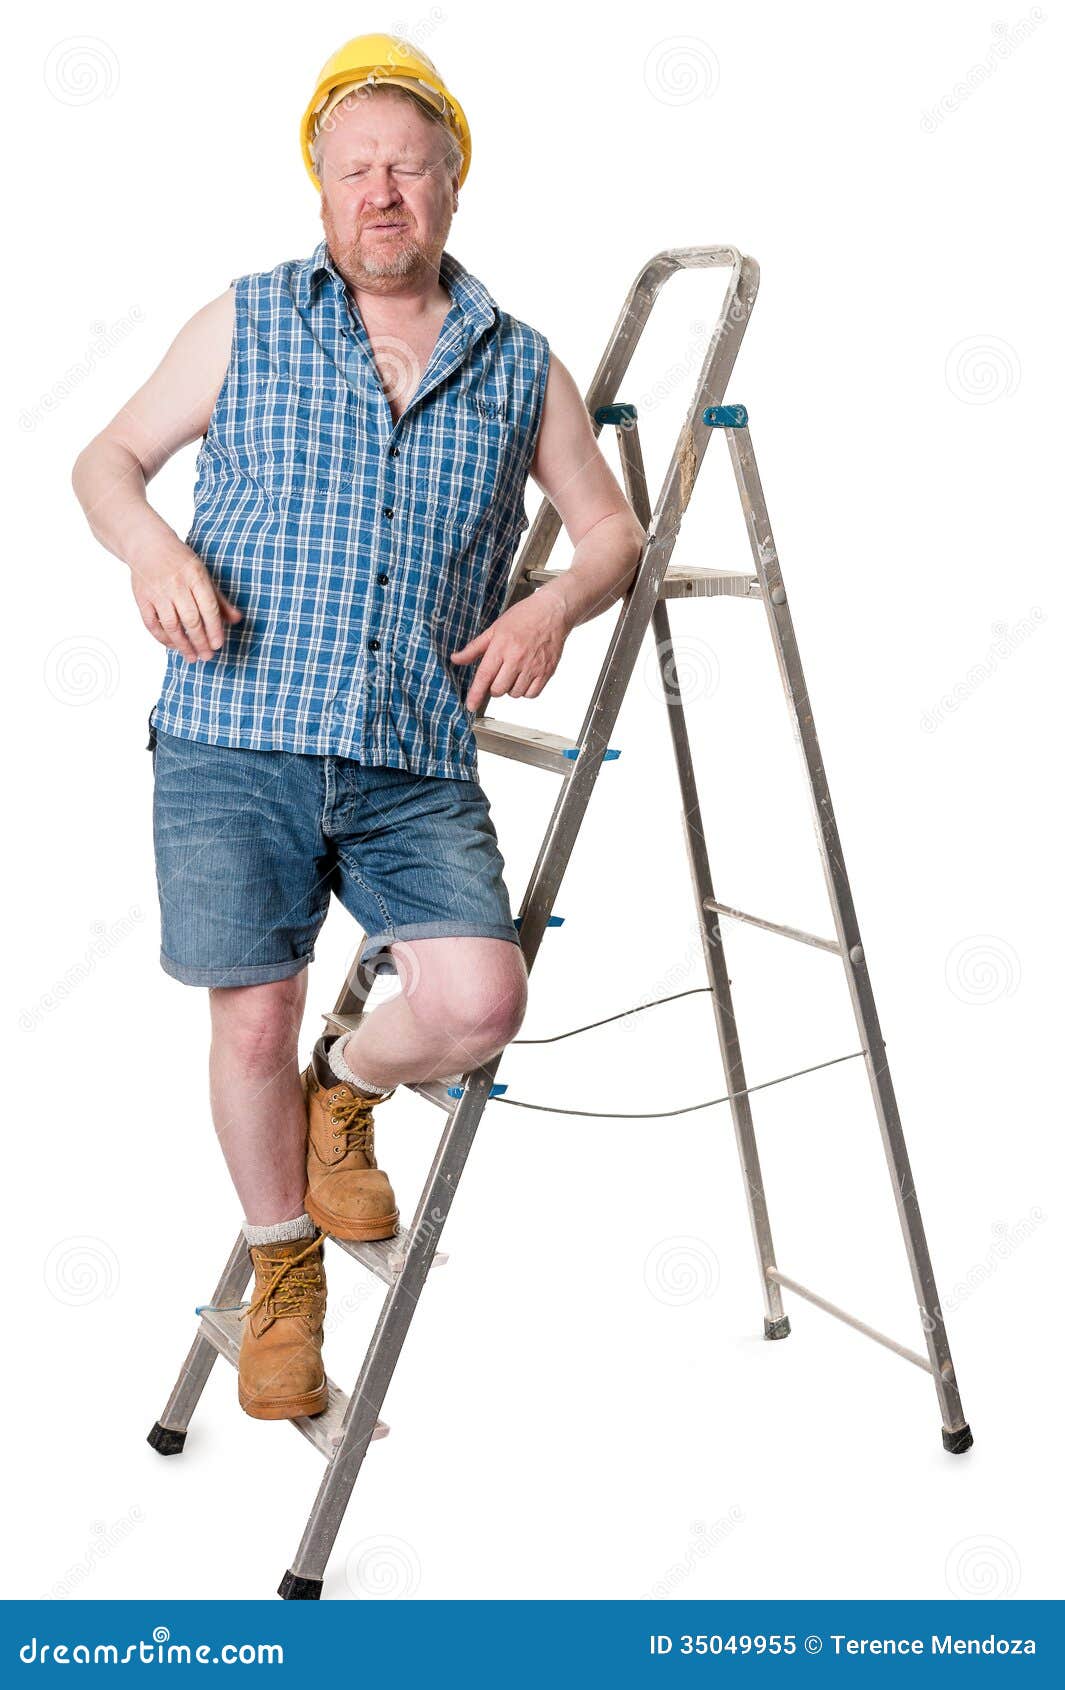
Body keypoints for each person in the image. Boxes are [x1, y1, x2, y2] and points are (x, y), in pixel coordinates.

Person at [72, 34, 644, 1422]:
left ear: (453, 186)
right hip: (234, 738)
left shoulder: (521, 364)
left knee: (476, 999)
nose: (381, 192)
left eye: (408, 167)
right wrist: (151, 549)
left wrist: (556, 604)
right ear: (319, 189)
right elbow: (106, 461)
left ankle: (352, 1088)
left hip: (407, 759)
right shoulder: (250, 316)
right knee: (251, 1018)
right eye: (354, 171)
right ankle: (281, 1277)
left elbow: (613, 528)